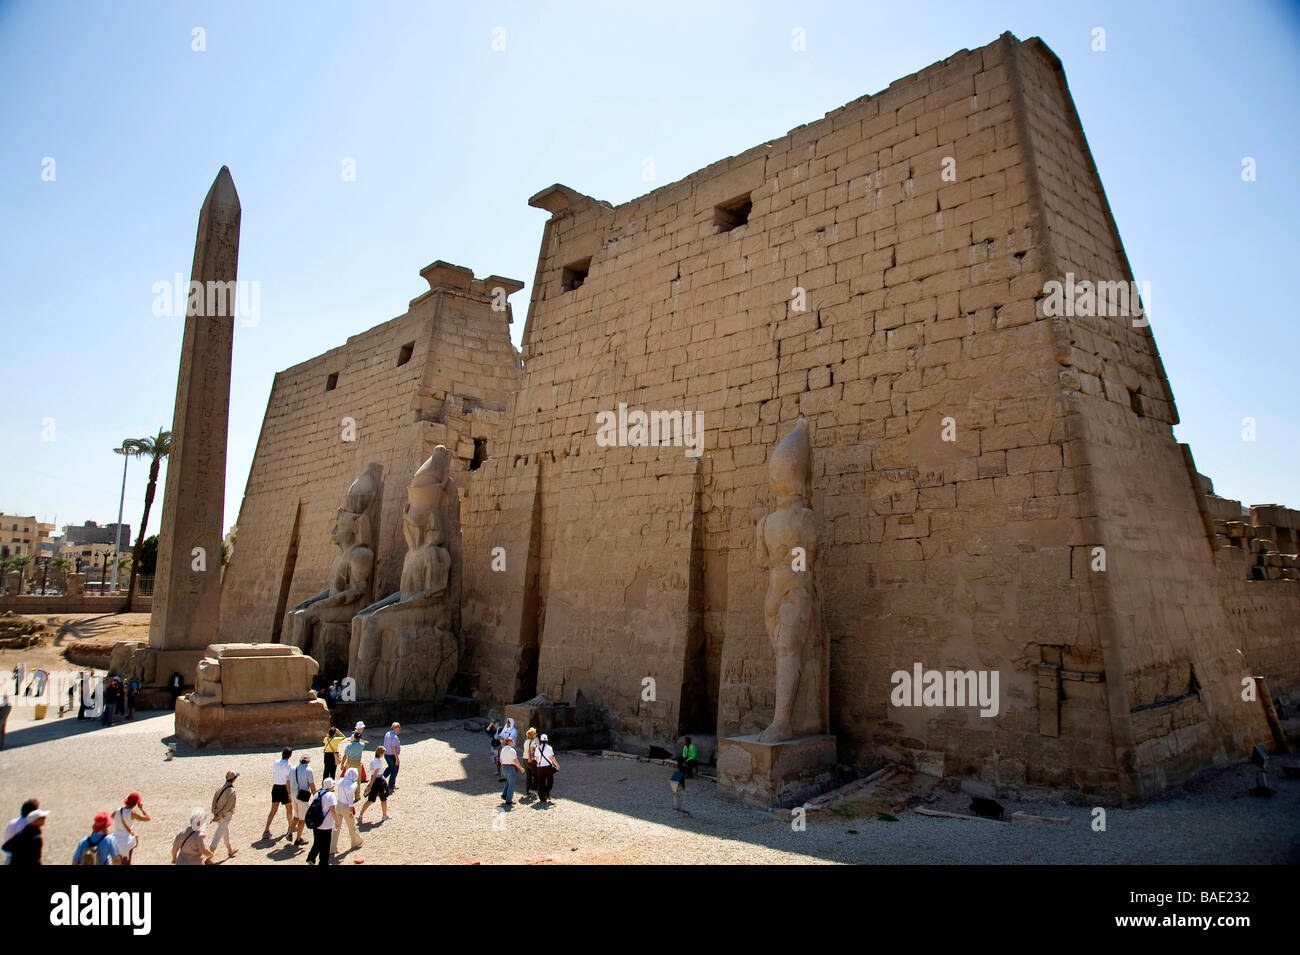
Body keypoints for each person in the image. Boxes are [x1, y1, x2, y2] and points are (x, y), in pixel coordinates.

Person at [305, 778, 338, 866]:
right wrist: (336, 821)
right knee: (325, 845)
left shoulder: (317, 794)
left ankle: (311, 857)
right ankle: (323, 862)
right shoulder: (331, 795)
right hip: (326, 824)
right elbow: (332, 809)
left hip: (316, 823)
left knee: (317, 842)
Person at [264, 747, 295, 840]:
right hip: (284, 788)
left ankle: (266, 828)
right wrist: (289, 793)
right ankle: (290, 827)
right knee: (289, 808)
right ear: (290, 755)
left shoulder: (276, 762)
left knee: (273, 809)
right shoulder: (289, 766)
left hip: (276, 786)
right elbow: (288, 781)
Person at [111, 792, 150, 864]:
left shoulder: (117, 811)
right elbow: (148, 818)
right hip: (126, 841)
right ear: (136, 804)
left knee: (116, 862)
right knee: (127, 862)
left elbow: (110, 819)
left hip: (116, 839)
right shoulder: (132, 813)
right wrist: (141, 809)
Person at [331, 768, 363, 855]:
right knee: (351, 826)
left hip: (338, 804)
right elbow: (350, 799)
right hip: (346, 806)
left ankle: (332, 847)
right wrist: (351, 810)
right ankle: (356, 842)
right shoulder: (352, 784)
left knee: (336, 827)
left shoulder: (340, 782)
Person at [209, 770, 239, 859]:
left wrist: (215, 813)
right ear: (234, 779)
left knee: (225, 832)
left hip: (218, 813)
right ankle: (209, 857)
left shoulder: (219, 788)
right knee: (218, 834)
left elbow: (214, 801)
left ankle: (230, 850)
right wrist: (220, 815)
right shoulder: (232, 791)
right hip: (225, 815)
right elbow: (229, 806)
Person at [357, 747, 391, 825]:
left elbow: (373, 774)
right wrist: (370, 785)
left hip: (375, 779)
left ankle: (361, 815)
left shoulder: (373, 760)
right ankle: (384, 815)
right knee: (383, 798)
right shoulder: (378, 762)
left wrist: (370, 784)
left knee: (370, 800)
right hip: (379, 781)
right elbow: (376, 774)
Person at [290, 754, 317, 846]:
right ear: (308, 761)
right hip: (302, 796)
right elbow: (312, 785)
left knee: (296, 815)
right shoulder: (308, 770)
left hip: (294, 794)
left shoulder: (293, 769)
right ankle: (298, 839)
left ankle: (289, 833)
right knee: (302, 819)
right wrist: (316, 796)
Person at [499, 736, 525, 807]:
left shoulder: (503, 749)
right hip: (510, 767)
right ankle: (509, 800)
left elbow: (500, 760)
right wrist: (521, 768)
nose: (513, 742)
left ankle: (504, 794)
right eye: (512, 741)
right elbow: (515, 761)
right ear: (509, 742)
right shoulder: (512, 750)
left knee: (509, 781)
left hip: (504, 767)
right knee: (512, 784)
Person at [534, 733, 559, 804]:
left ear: (541, 741)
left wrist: (539, 763)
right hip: (548, 767)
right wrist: (557, 765)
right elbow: (552, 758)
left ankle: (542, 798)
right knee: (550, 782)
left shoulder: (537, 748)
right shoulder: (549, 748)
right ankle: (546, 792)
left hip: (540, 768)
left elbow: (537, 759)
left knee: (541, 782)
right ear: (547, 740)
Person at [383, 722, 401, 792]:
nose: (399, 730)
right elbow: (394, 748)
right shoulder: (394, 737)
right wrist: (397, 759)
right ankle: (391, 785)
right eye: (398, 728)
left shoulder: (387, 733)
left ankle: (381, 779)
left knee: (390, 768)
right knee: (394, 770)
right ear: (395, 728)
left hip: (386, 754)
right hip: (391, 755)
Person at [522, 728, 539, 798]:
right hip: (530, 760)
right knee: (536, 775)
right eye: (535, 733)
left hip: (524, 759)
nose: (536, 734)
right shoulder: (533, 742)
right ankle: (532, 789)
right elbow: (532, 752)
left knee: (528, 776)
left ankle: (528, 791)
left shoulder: (526, 741)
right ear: (532, 735)